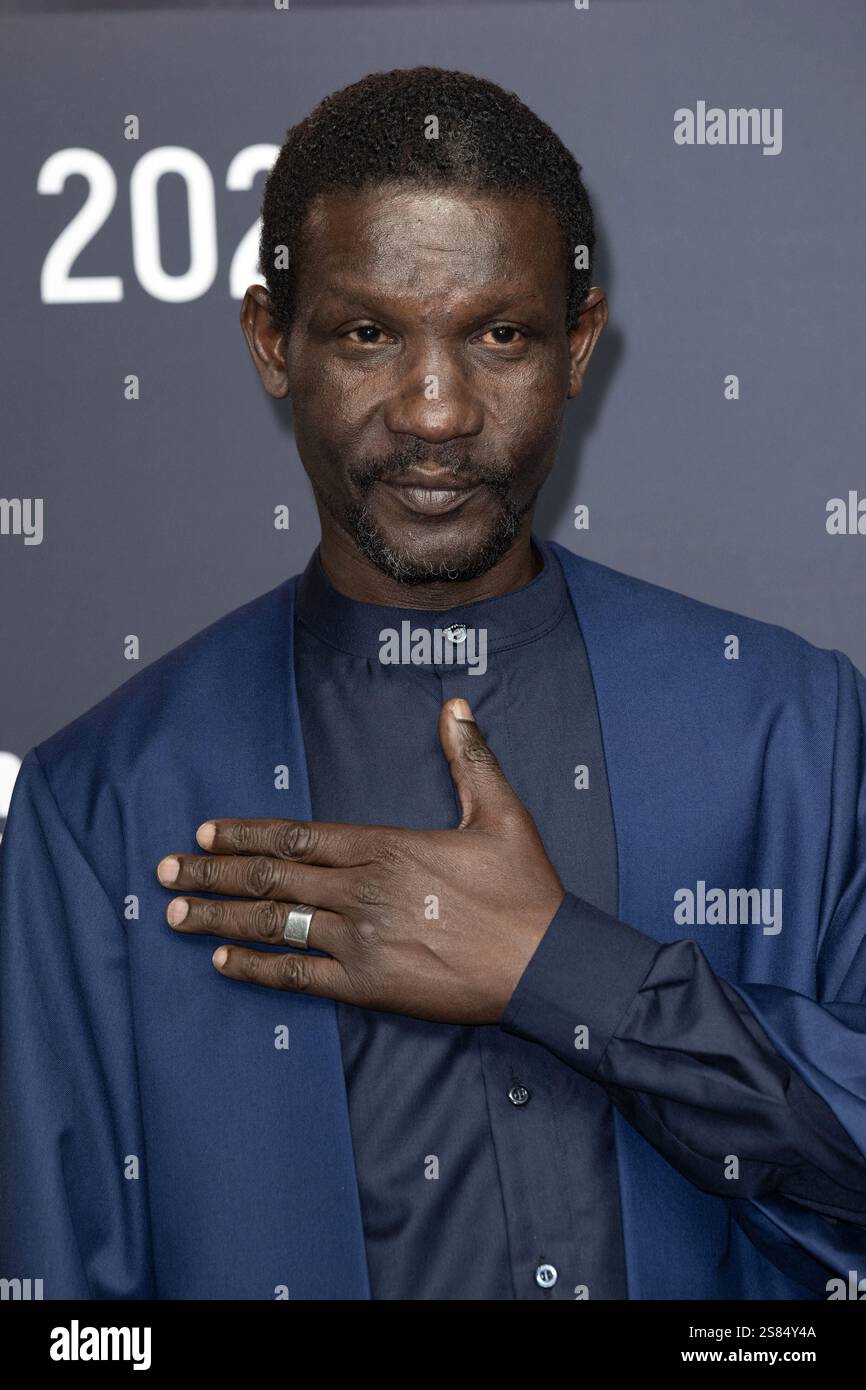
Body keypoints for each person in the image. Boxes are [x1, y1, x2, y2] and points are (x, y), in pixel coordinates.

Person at [2, 66, 865, 1302]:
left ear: (575, 346)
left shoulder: (791, 731)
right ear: (269, 342)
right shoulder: (100, 809)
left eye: (497, 334)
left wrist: (559, 968)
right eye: (366, 333)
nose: (435, 410)